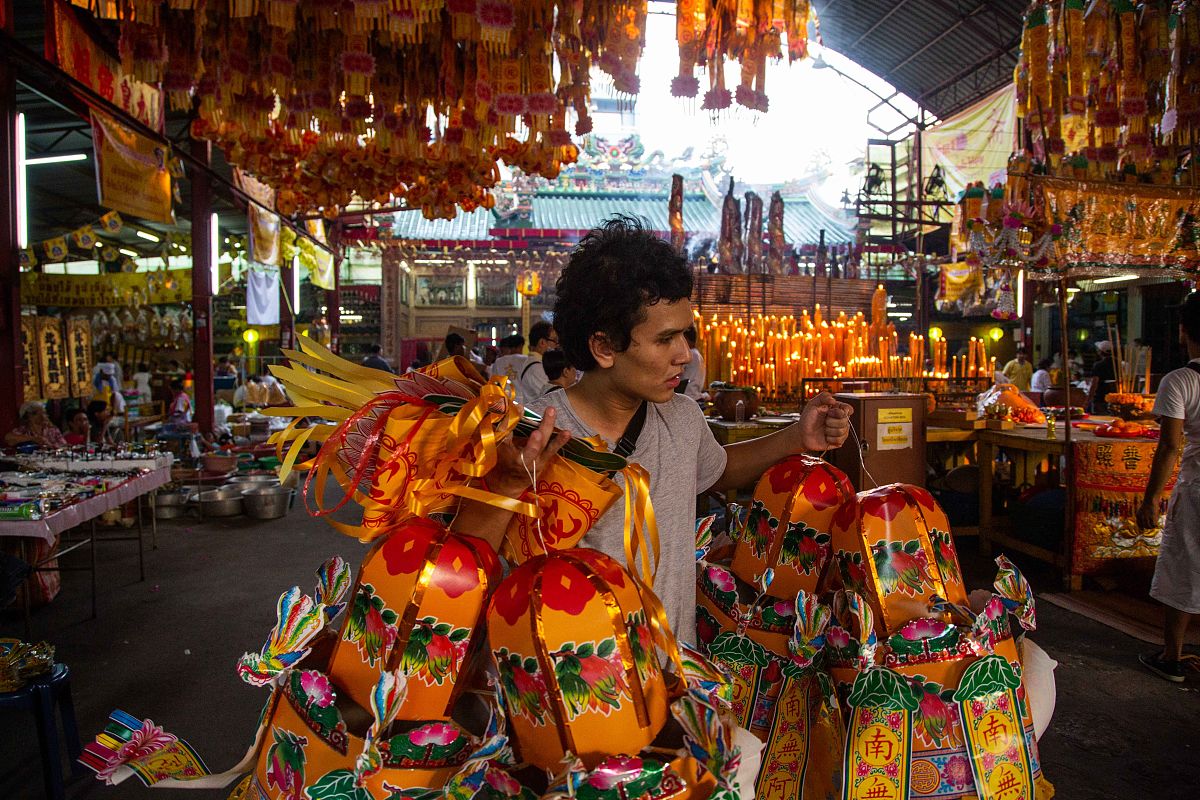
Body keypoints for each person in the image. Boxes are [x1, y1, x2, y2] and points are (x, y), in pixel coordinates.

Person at [452, 216, 852, 645]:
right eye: (665, 339)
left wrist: (795, 438)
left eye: (686, 334)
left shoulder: (681, 418)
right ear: (604, 347)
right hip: (583, 690)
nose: (685, 354)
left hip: (676, 675)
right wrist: (507, 486)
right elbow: (463, 568)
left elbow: (716, 468)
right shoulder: (535, 437)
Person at [1137, 292, 1200, 683]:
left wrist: (1151, 498)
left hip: (1196, 489)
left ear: (1183, 331)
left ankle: (1172, 657)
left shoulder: (1181, 381)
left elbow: (1171, 445)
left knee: (1185, 565)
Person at [517, 321, 558, 402]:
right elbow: (552, 397)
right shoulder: (536, 368)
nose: (557, 345)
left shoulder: (537, 363)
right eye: (554, 341)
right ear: (542, 342)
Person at [4, 402, 68, 448]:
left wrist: (49, 446)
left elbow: (65, 446)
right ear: (27, 417)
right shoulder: (23, 430)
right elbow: (8, 438)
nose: (43, 416)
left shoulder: (52, 429)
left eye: (44, 413)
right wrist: (34, 439)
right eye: (36, 414)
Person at [681, 326, 706, 401]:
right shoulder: (697, 354)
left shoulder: (689, 355)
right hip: (695, 396)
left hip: (688, 396)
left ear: (686, 339)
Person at [1090, 341, 1117, 405]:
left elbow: (1095, 382)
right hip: (1116, 396)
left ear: (1100, 352)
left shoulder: (1098, 365)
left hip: (1101, 396)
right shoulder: (1120, 363)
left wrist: (1090, 397)